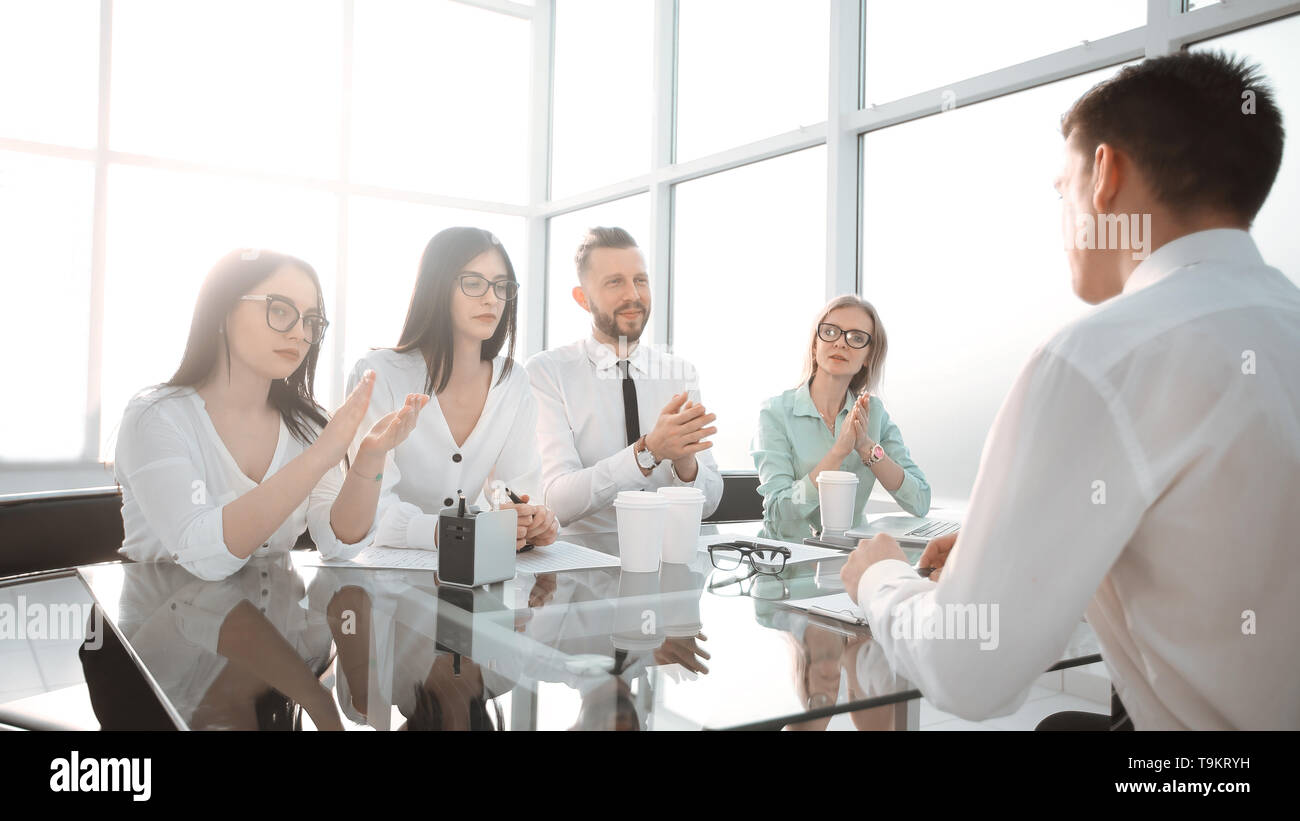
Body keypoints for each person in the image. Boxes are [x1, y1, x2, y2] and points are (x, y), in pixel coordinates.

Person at [841, 51, 1300, 729]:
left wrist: (878, 577)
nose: (1063, 214)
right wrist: (1023, 535)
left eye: (1063, 187)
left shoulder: (1099, 358)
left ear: (1107, 174)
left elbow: (969, 668)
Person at [114, 249, 419, 581]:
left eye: (311, 321)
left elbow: (338, 544)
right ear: (222, 311)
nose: (300, 334)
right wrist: (320, 455)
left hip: (271, 623)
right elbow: (204, 554)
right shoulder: (155, 416)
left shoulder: (308, 425)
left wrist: (370, 459)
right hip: (157, 620)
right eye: (279, 310)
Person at [316, 227, 558, 554]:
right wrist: (454, 533)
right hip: (382, 583)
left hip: (472, 575)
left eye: (502, 287)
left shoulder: (512, 380)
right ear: (437, 287)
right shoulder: (380, 374)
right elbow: (371, 506)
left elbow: (513, 487)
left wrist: (524, 518)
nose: (491, 298)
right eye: (473, 284)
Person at [526, 227, 723, 537]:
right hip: (585, 570)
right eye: (615, 282)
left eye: (640, 280)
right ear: (582, 298)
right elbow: (556, 501)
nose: (633, 294)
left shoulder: (679, 373)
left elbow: (710, 503)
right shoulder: (547, 373)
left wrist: (685, 463)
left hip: (670, 558)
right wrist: (649, 451)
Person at [752, 296, 930, 541]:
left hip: (849, 559)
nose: (841, 343)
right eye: (831, 331)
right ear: (815, 345)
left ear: (868, 357)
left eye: (857, 338)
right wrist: (839, 452)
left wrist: (867, 447)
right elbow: (780, 512)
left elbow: (920, 500)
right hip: (786, 563)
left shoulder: (874, 413)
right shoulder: (775, 413)